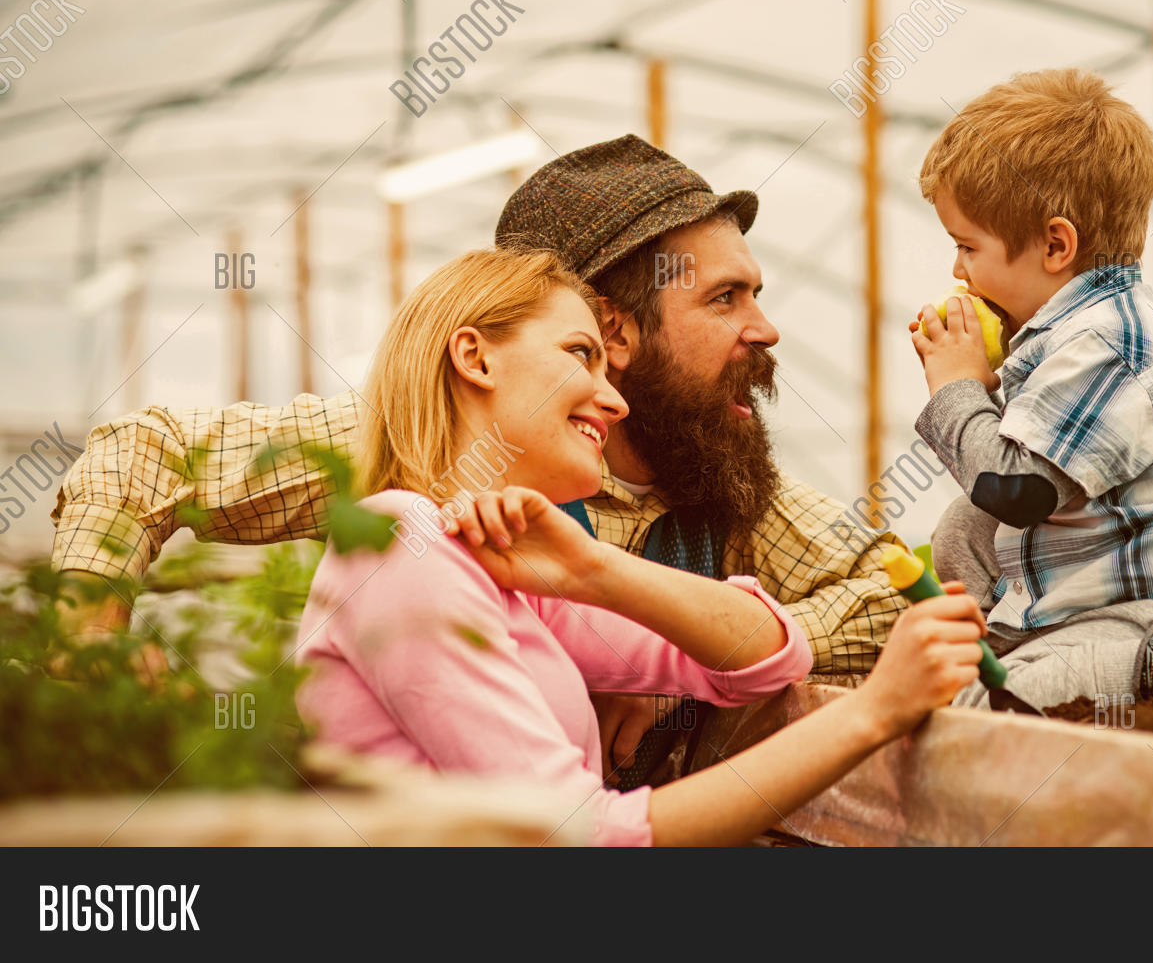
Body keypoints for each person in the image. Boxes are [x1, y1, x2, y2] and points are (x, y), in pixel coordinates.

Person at [50, 134, 908, 783]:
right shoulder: (425, 441)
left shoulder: (722, 477)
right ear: (610, 330)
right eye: (725, 297)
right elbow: (142, 454)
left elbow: (893, 591)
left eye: (757, 292)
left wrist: (655, 650)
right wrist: (86, 655)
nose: (765, 328)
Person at [296, 245, 984, 846]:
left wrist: (592, 567)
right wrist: (872, 713)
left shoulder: (499, 565)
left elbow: (762, 659)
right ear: (474, 357)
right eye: (580, 355)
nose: (614, 398)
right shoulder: (402, 543)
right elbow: (579, 836)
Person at [908, 68, 1153, 712]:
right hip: (1101, 594)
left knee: (984, 709)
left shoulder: (1109, 346)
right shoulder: (1069, 338)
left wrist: (957, 387)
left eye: (968, 247)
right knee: (964, 528)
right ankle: (1003, 640)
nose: (957, 270)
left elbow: (1020, 491)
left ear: (1055, 244)